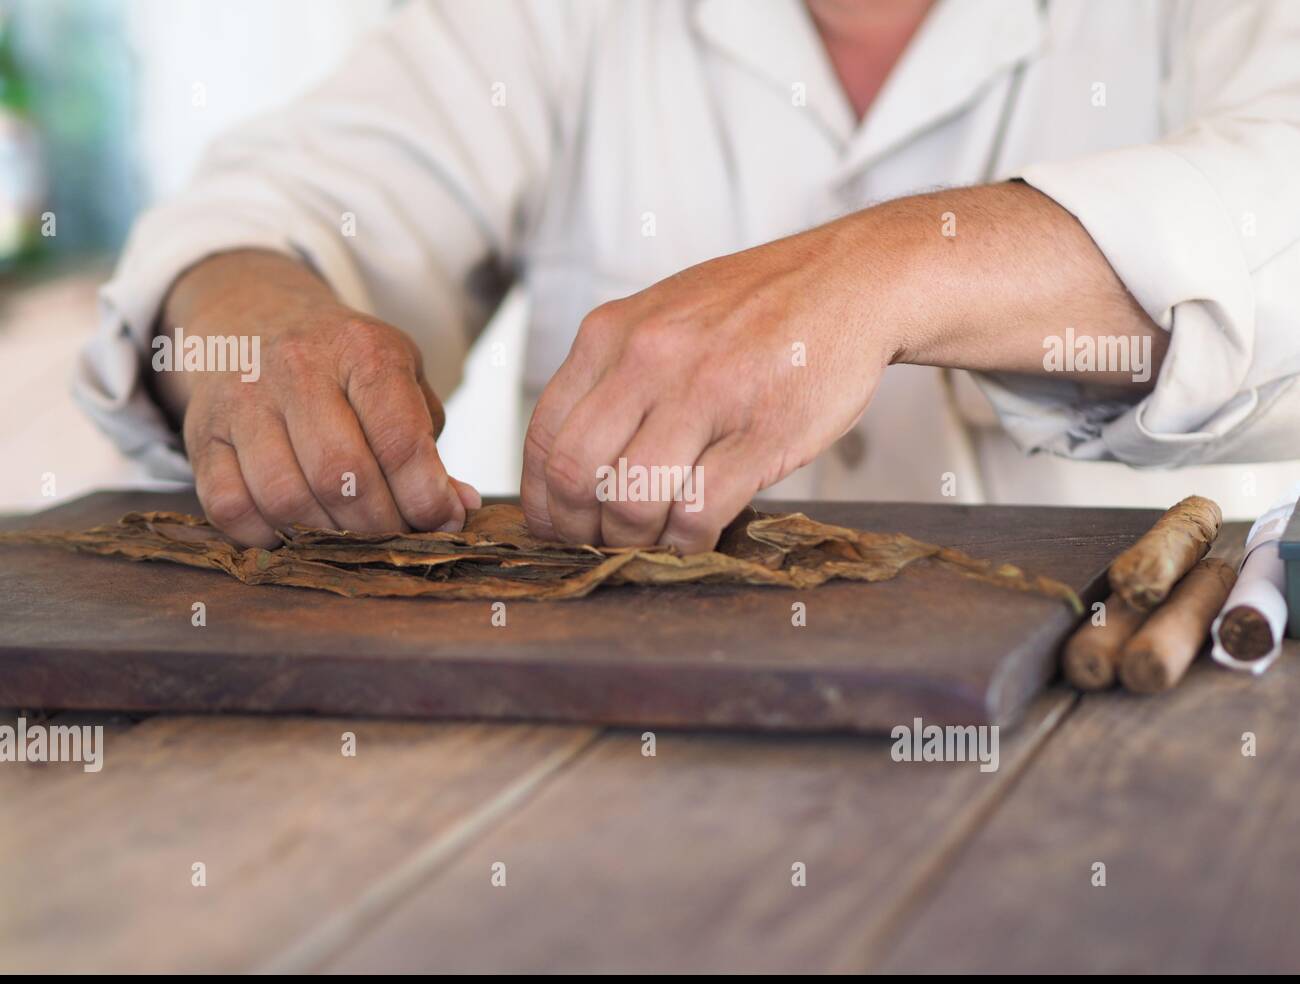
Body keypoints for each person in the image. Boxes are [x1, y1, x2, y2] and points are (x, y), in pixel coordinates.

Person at [76, 0, 1300, 551]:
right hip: (610, 792)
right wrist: (248, 315)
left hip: (1095, 765)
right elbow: (273, 204)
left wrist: (881, 275)